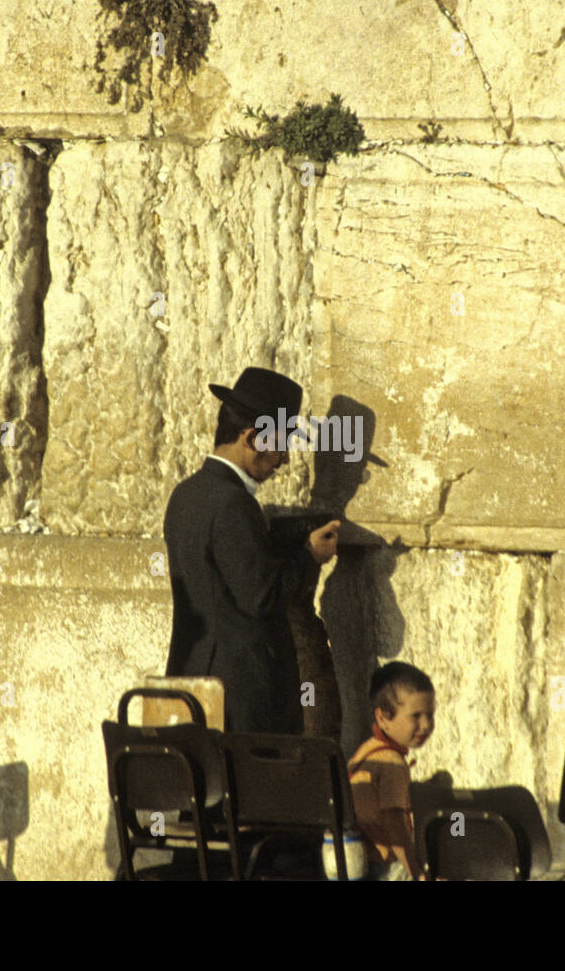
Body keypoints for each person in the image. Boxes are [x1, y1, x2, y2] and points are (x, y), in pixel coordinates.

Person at [163, 367, 341, 733]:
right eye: (281, 444)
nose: (284, 459)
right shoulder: (233, 504)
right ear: (253, 438)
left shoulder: (186, 494)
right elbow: (260, 596)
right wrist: (309, 555)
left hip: (190, 680)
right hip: (237, 696)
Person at [348, 661, 436, 880]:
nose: (426, 725)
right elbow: (394, 826)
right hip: (380, 867)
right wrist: (418, 874)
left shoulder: (368, 750)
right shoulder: (392, 763)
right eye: (416, 716)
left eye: (430, 715)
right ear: (382, 718)